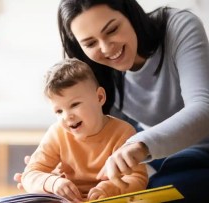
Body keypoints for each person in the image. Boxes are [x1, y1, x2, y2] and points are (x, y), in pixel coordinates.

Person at [14, 0, 209, 202]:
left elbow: (203, 107)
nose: (106, 48)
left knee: (158, 194)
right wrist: (49, 176)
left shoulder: (177, 27)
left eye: (112, 29)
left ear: (129, 14)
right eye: (90, 43)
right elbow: (103, 136)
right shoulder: (94, 70)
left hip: (196, 151)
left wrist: (139, 146)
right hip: (154, 157)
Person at [21, 58, 148, 202]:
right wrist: (53, 183)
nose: (67, 116)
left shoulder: (123, 132)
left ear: (100, 97)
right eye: (58, 111)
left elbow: (138, 178)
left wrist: (109, 188)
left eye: (75, 104)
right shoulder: (57, 134)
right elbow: (29, 174)